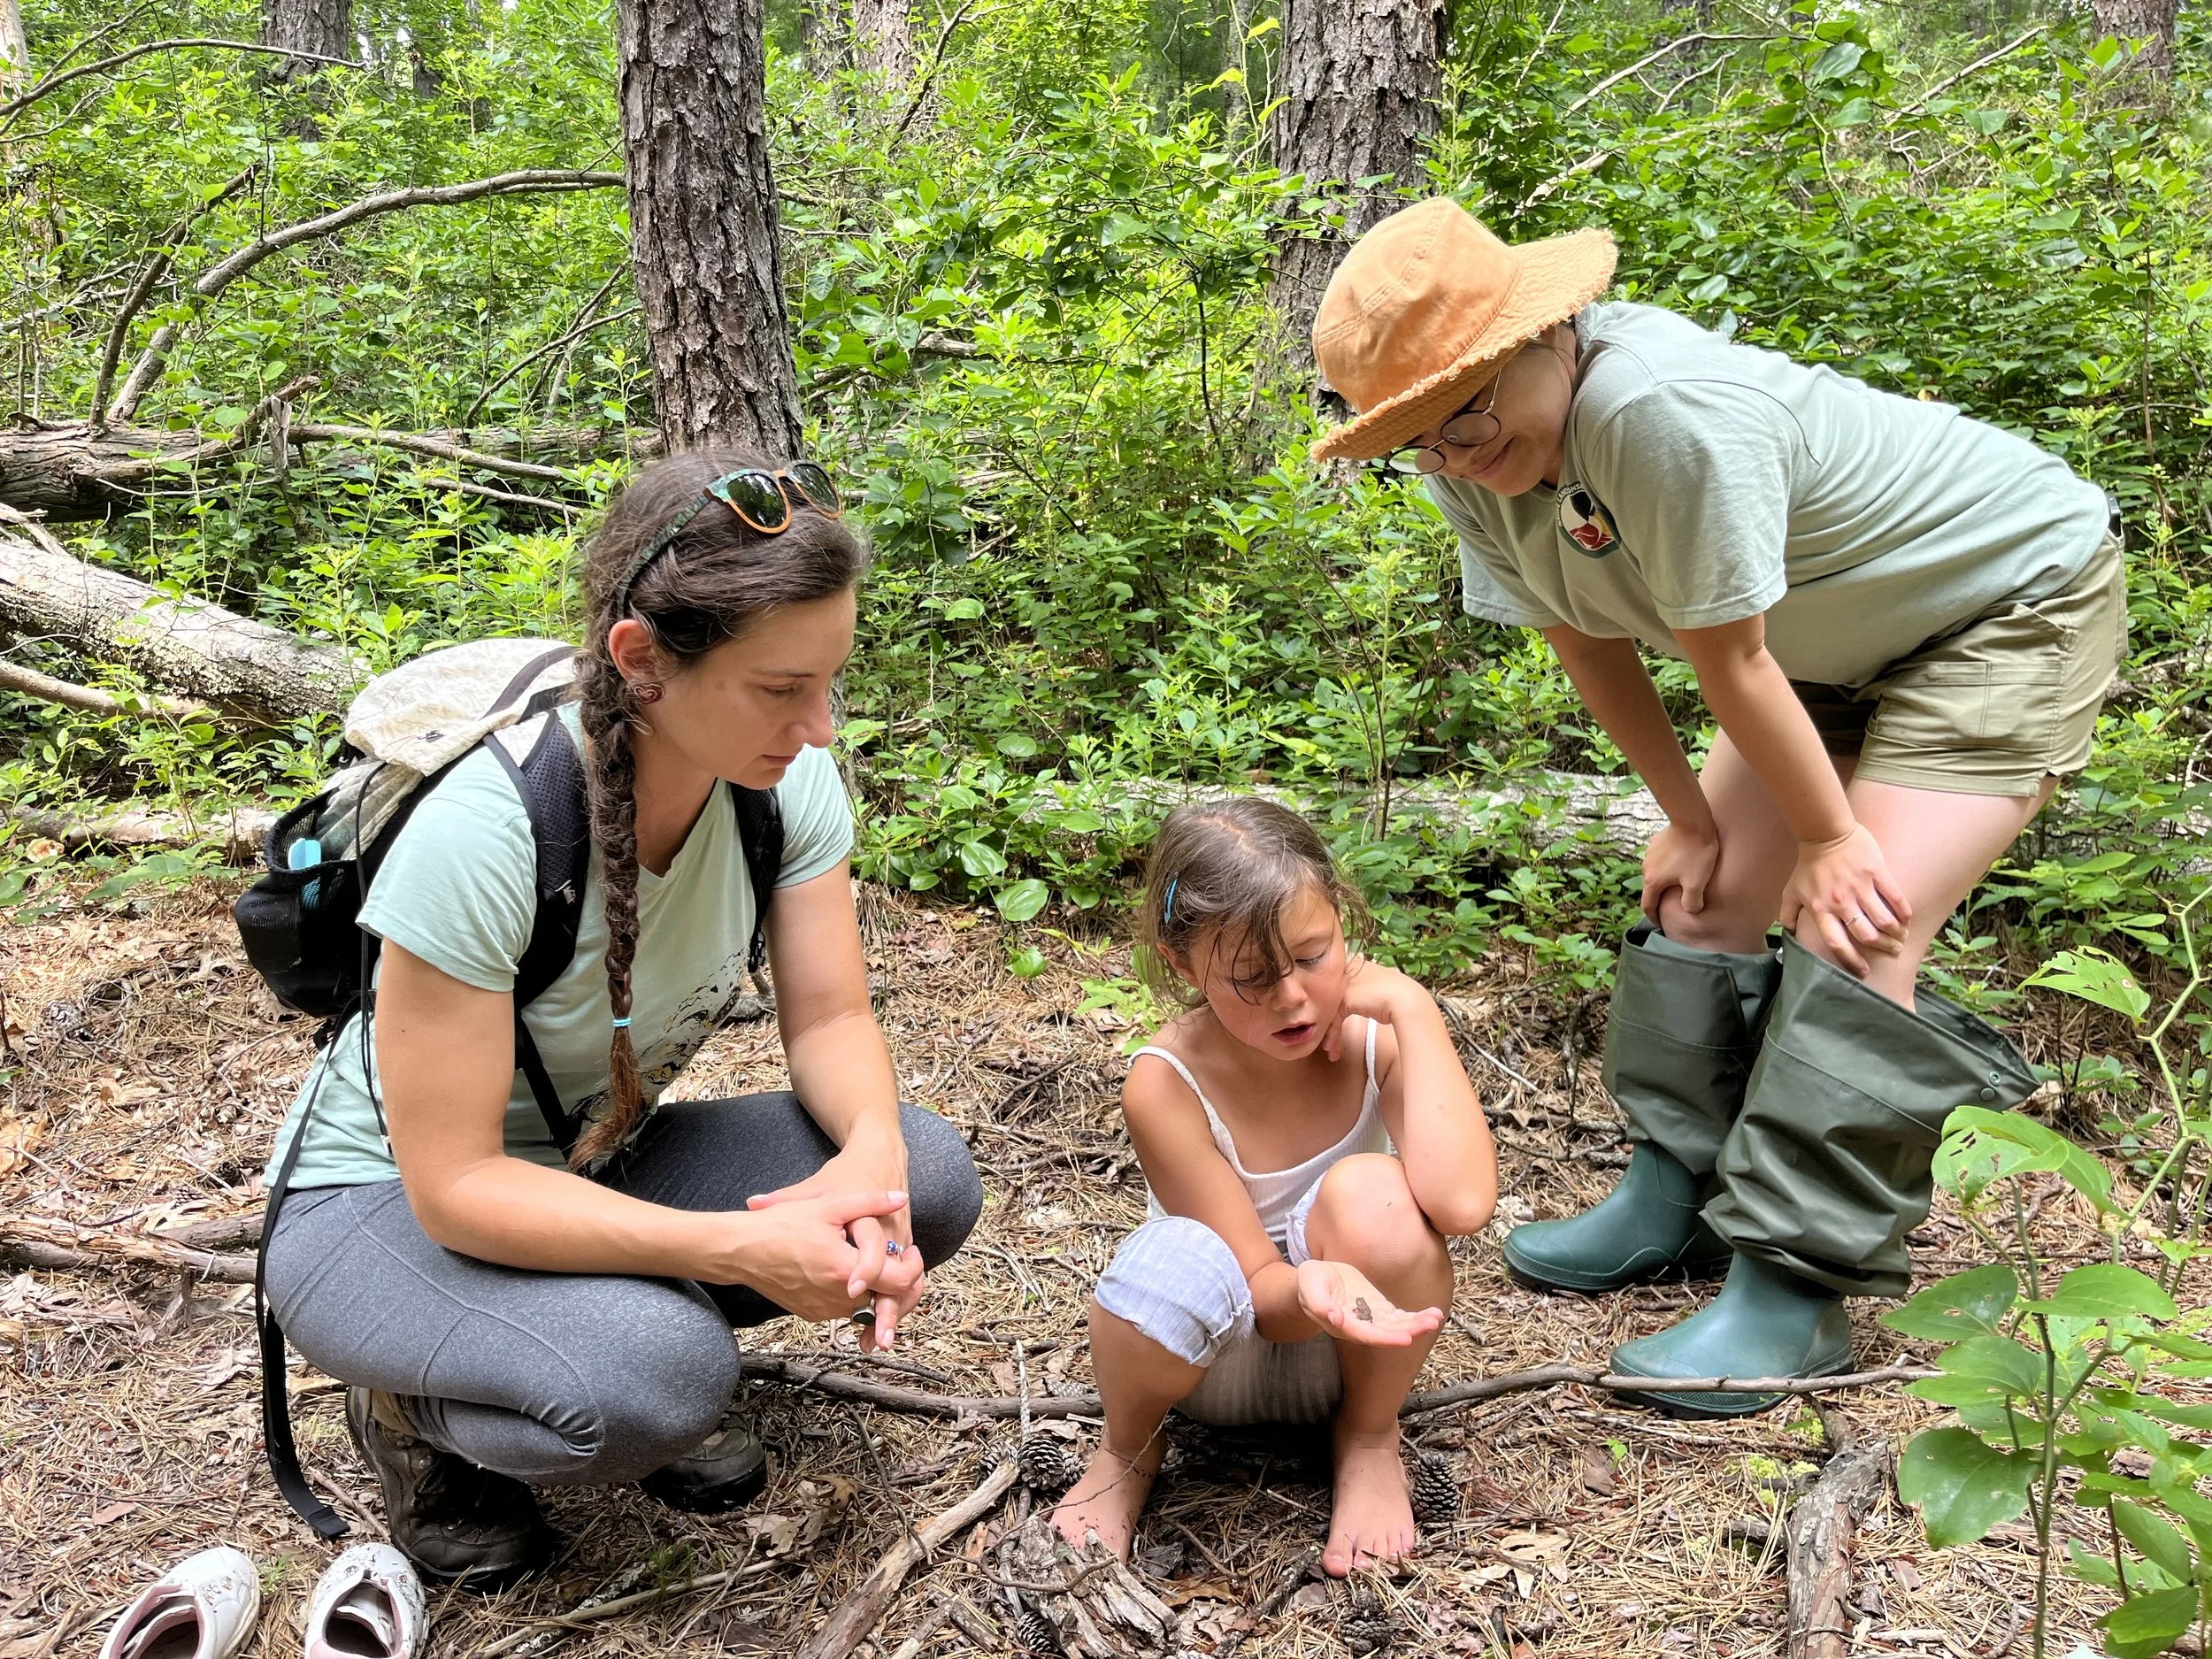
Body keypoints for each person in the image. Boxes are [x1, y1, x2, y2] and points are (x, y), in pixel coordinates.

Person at [1307, 197, 2116, 1413]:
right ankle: (1676, 1186)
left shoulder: (1655, 411)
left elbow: (1730, 657)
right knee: (1700, 898)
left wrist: (1837, 841)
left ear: (1549, 333)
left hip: (2002, 607)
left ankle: (1794, 1287)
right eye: (1417, 438)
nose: (1454, 454)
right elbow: (1580, 631)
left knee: (1862, 924)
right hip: (1828, 647)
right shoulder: (1470, 452)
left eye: (1466, 414)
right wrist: (1684, 812)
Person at [260, 451, 984, 1585]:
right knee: (660, 1379)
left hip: (595, 1154)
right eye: (781, 687)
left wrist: (871, 1158)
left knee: (923, 1178)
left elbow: (834, 1017)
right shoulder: (494, 830)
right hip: (382, 1201)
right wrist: (734, 1246)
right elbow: (455, 1186)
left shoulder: (782, 785)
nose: (822, 726)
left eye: (831, 682)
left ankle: (593, 1328)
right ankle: (416, 1409)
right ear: (641, 662)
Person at [1050, 798, 1497, 1576]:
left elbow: (1462, 1203)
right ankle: (1129, 1449)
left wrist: (1413, 1011)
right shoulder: (1166, 1083)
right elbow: (1258, 1292)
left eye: (1315, 955)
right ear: (1184, 965)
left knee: (1378, 1194)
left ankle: (1367, 1436)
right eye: (1252, 978)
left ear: (1342, 922)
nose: (1293, 996)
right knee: (1172, 1258)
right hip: (1220, 1359)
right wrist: (1309, 1284)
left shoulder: (1372, 1040)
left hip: (1357, 1354)